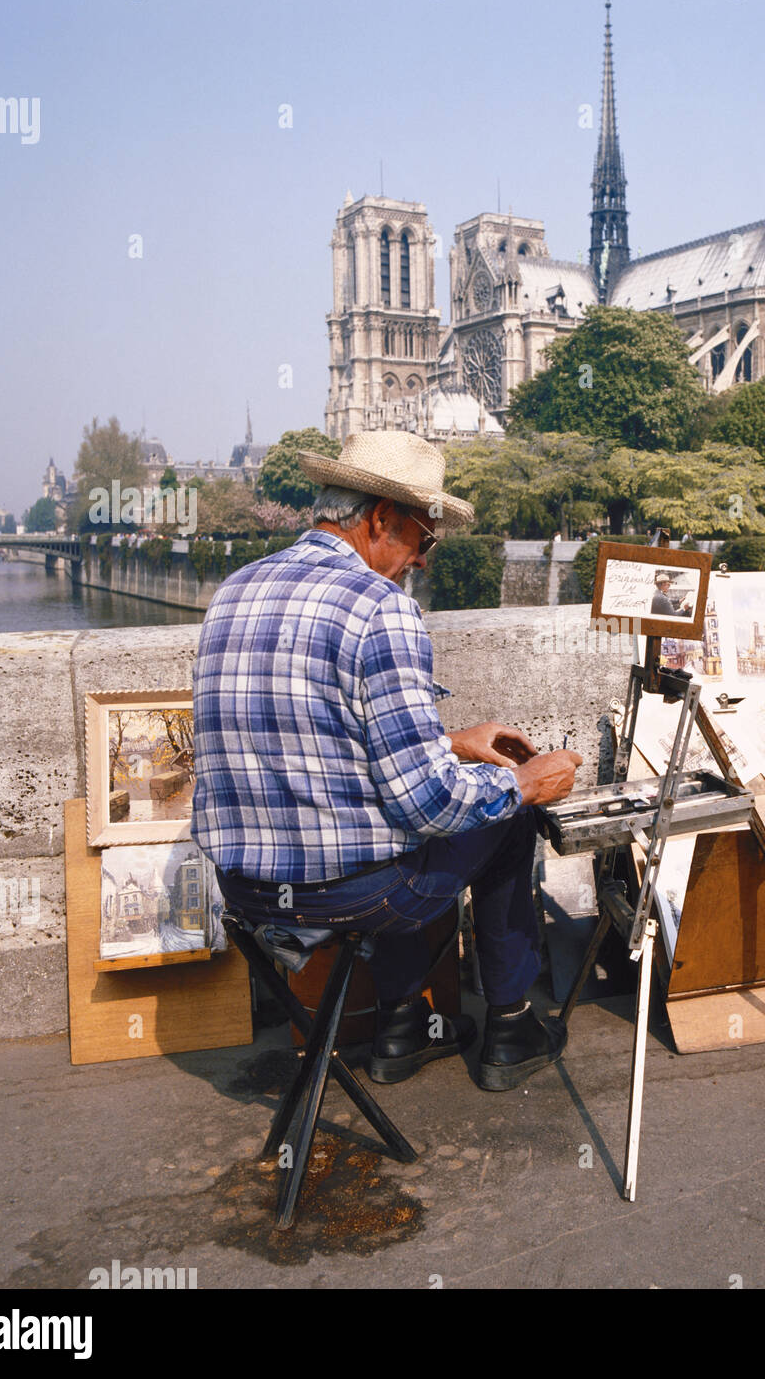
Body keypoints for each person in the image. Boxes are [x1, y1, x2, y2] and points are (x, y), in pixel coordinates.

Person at [192, 430, 583, 1091]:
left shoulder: (235, 590)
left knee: (399, 825)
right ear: (379, 520)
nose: (424, 562)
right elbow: (426, 803)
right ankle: (512, 1028)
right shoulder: (381, 609)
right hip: (352, 893)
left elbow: (314, 742)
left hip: (246, 893)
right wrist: (522, 782)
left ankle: (403, 1026)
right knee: (499, 824)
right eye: (423, 540)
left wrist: (454, 744)